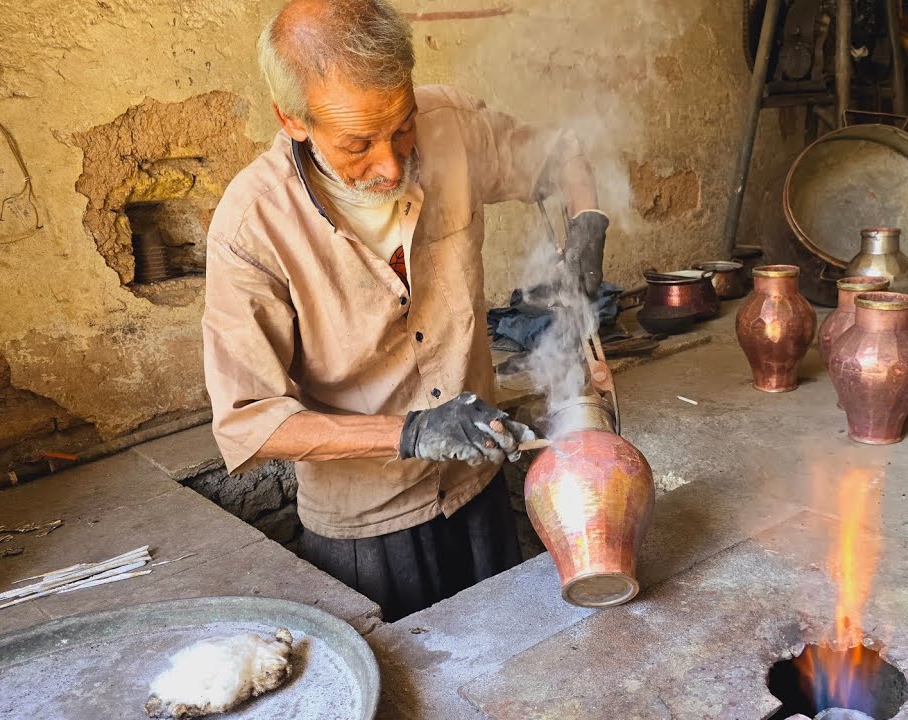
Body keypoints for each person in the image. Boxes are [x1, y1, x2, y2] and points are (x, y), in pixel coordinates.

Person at [201, 0, 608, 621]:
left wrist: (587, 222)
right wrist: (413, 432)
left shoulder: (452, 126)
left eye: (401, 127)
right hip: (368, 526)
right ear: (293, 119)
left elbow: (562, 154)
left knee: (511, 658)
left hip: (479, 488)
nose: (390, 164)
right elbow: (250, 423)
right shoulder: (252, 227)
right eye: (357, 144)